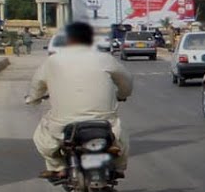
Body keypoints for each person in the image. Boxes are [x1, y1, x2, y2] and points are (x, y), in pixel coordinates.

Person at [25, 22, 133, 181]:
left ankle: (58, 168)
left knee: (42, 137)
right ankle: (117, 168)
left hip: (64, 123)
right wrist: (122, 94)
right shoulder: (105, 58)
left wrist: (32, 99)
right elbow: (126, 82)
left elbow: (37, 85)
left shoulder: (53, 61)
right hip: (104, 121)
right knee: (120, 138)